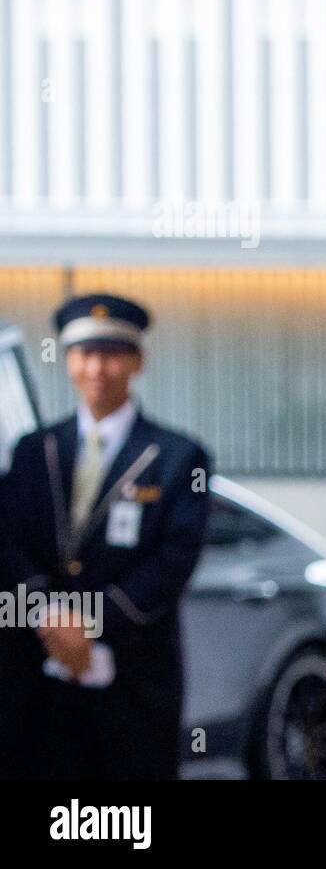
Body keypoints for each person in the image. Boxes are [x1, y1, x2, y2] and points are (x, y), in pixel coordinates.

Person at [0, 293, 212, 779]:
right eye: (84, 354)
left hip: (135, 678)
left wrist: (88, 626)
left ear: (137, 361)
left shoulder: (178, 457)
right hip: (36, 676)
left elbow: (173, 561)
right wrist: (51, 617)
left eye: (112, 354)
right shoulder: (34, 452)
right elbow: (9, 540)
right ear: (68, 360)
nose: (97, 368)